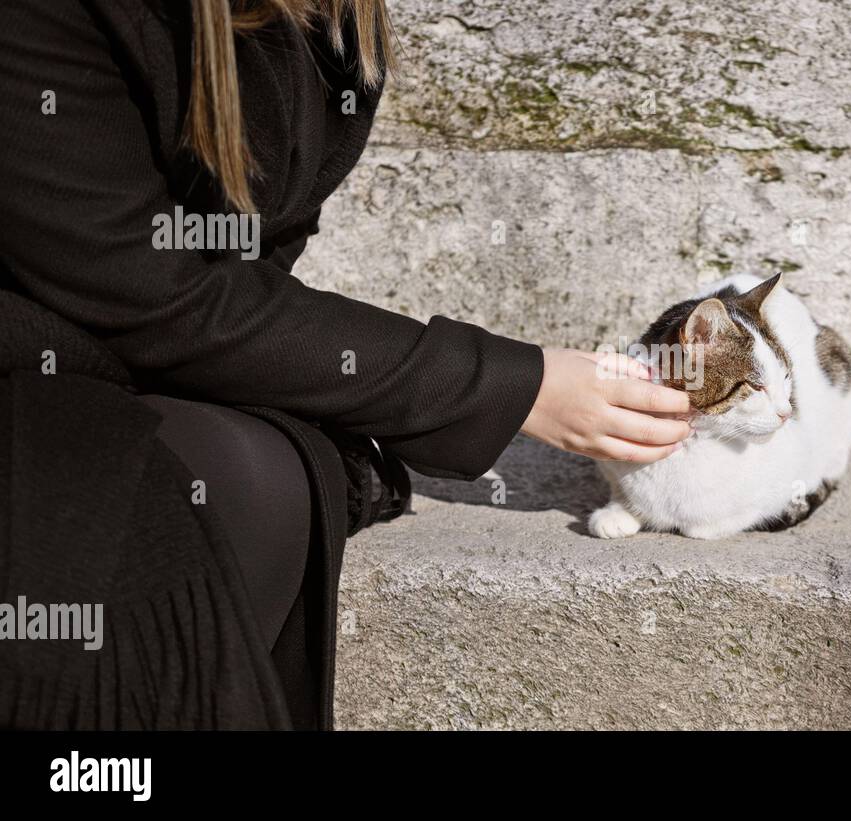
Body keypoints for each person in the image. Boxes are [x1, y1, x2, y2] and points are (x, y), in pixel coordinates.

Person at [0, 0, 690, 729]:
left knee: (265, 476)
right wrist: (510, 386)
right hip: (43, 364)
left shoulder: (331, 27)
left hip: (129, 364)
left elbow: (239, 271)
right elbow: (147, 283)